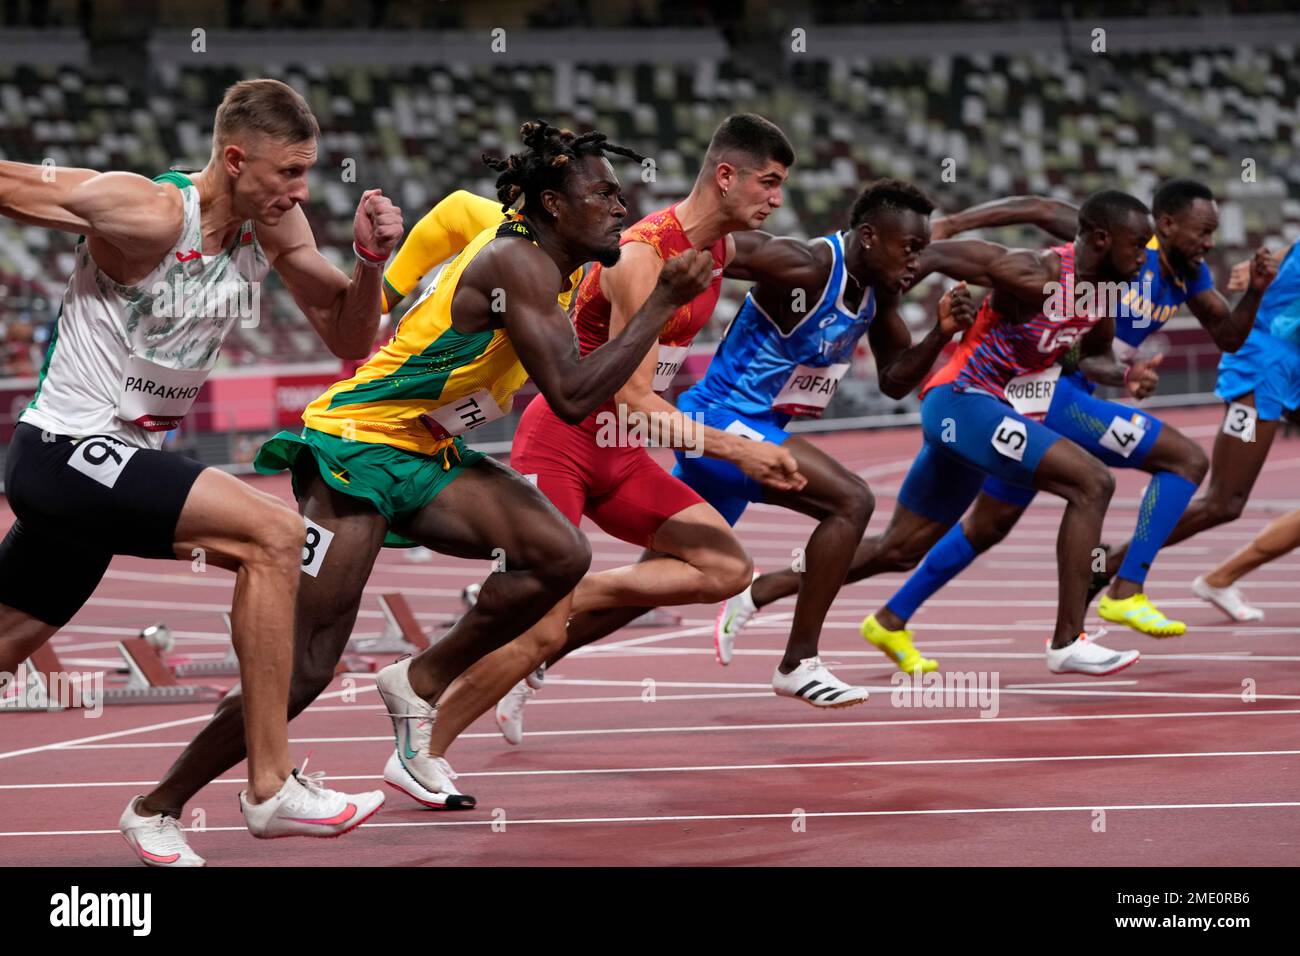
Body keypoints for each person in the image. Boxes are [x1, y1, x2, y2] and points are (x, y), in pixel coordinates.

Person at [131, 121, 713, 861]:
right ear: (550, 206)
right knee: (307, 660)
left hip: (424, 447)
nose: (620, 207)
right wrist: (661, 305)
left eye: (620, 193)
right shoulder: (518, 263)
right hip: (359, 446)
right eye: (601, 194)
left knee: (557, 553)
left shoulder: (531, 246)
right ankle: (158, 806)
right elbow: (569, 395)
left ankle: (419, 678)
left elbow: (453, 213)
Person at [0, 78, 400, 864]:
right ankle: (271, 787)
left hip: (109, 471)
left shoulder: (274, 229)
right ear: (234, 158)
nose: (301, 190)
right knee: (275, 539)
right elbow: (16, 184)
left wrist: (368, 263)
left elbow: (349, 338)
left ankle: (214, 800)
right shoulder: (152, 212)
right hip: (65, 453)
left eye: (308, 171)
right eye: (288, 173)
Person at [746, 180, 1274, 651]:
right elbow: (988, 231)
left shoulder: (1128, 283)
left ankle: (823, 601)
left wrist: (1126, 375)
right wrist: (889, 285)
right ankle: (1106, 603)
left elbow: (1097, 352)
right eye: (1145, 244)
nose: (1203, 243)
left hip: (1020, 405)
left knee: (929, 539)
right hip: (991, 398)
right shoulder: (1050, 264)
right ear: (1121, 235)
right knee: (1135, 472)